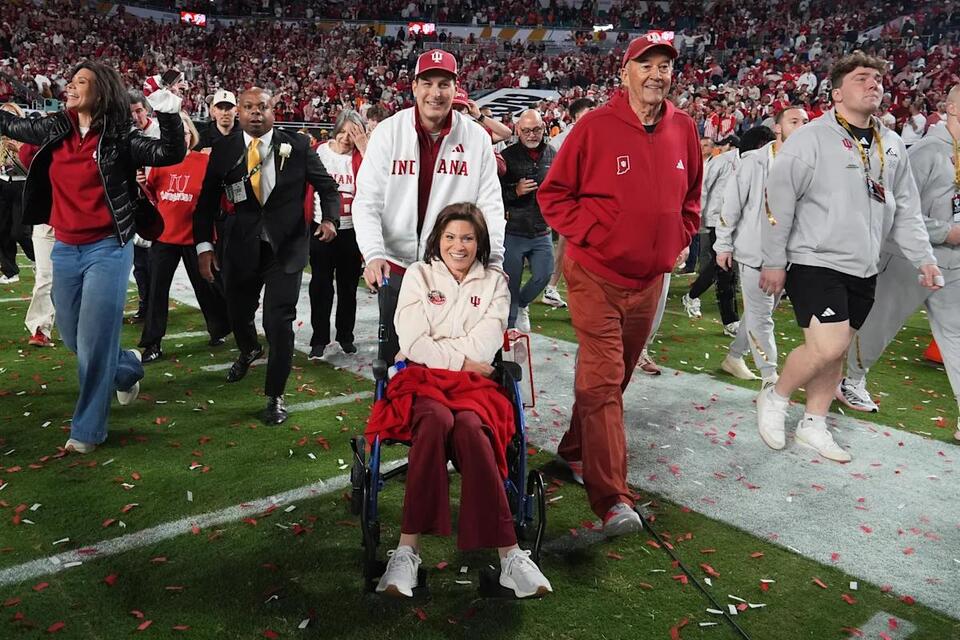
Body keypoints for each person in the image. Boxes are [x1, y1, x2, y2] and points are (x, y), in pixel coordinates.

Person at [538, 32, 702, 534]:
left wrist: (681, 233)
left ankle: (572, 452)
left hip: (648, 282)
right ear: (625, 72)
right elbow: (554, 196)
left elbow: (692, 195)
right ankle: (611, 498)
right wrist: (598, 236)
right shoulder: (594, 127)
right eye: (646, 65)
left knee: (614, 378)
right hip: (595, 276)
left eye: (664, 66)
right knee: (605, 380)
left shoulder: (684, 128)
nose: (656, 74)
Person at [759, 52, 942, 463]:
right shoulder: (811, 137)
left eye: (878, 78)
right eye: (862, 78)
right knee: (829, 344)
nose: (874, 84)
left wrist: (924, 257)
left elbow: (908, 209)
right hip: (814, 257)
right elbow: (780, 200)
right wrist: (773, 260)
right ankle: (776, 395)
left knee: (838, 351)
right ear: (837, 93)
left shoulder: (891, 144)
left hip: (865, 263)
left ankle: (814, 424)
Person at [0, 60, 186, 454]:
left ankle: (87, 429)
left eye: (80, 82)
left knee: (96, 338)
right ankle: (127, 367)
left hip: (109, 246)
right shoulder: (55, 127)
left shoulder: (120, 137)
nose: (70, 87)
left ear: (100, 92)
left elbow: (170, 152)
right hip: (65, 246)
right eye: (70, 81)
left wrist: (169, 113)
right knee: (73, 334)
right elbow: (10, 125)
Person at [369, 203, 552, 599]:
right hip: (421, 380)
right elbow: (412, 341)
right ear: (438, 239)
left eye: (468, 238)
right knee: (434, 420)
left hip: (474, 388)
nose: (459, 245)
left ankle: (510, 556)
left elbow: (487, 346)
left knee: (471, 428)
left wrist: (453, 355)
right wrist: (461, 360)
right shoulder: (418, 275)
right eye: (451, 236)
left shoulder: (495, 283)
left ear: (480, 242)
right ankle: (406, 551)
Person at [194, 87, 341, 425]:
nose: (255, 113)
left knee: (278, 322)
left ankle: (275, 395)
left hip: (286, 248)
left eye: (262, 107)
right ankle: (248, 348)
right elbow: (205, 204)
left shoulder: (299, 145)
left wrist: (330, 218)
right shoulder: (223, 149)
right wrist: (204, 246)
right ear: (239, 112)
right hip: (240, 247)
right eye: (248, 107)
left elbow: (328, 188)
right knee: (237, 312)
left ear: (274, 110)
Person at [353, 49, 506, 363]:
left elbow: (490, 204)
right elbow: (366, 200)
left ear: (455, 87)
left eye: (443, 84)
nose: (435, 93)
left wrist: (495, 260)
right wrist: (373, 253)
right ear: (414, 86)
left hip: (453, 270)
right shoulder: (388, 132)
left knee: (453, 353)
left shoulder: (476, 138)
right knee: (396, 356)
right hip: (394, 266)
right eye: (428, 83)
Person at [838, 84, 960, 440]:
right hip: (909, 258)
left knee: (956, 335)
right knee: (880, 323)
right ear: (950, 108)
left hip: (952, 263)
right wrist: (946, 233)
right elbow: (902, 211)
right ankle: (851, 380)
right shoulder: (926, 152)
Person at [136, 112, 230, 363]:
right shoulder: (159, 161)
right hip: (164, 235)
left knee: (208, 285)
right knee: (157, 291)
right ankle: (152, 343)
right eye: (177, 133)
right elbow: (154, 195)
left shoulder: (204, 161)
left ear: (191, 135)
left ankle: (220, 328)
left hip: (195, 236)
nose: (182, 137)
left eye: (186, 132)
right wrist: (142, 184)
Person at [716, 120, 799, 383]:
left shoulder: (804, 162)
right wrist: (723, 244)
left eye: (806, 122)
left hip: (786, 254)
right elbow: (731, 204)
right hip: (755, 252)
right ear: (778, 127)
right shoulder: (754, 162)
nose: (801, 126)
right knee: (762, 316)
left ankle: (734, 356)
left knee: (758, 312)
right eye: (794, 121)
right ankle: (770, 376)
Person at [308, 109, 366, 359]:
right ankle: (319, 338)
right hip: (321, 227)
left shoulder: (363, 156)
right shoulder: (319, 151)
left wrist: (366, 148)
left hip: (351, 231)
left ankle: (346, 336)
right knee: (320, 286)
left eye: (352, 134)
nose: (345, 138)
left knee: (348, 288)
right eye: (342, 131)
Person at [500, 109, 557, 332]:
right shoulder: (507, 156)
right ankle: (510, 334)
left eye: (536, 129)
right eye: (526, 130)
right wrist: (516, 190)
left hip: (541, 230)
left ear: (543, 129)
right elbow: (494, 194)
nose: (532, 134)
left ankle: (523, 304)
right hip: (513, 230)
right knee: (510, 285)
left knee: (543, 275)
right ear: (517, 130)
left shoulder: (553, 154)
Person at [681, 133, 741, 337]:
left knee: (724, 269)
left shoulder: (750, 163)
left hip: (735, 222)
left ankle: (694, 296)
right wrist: (699, 216)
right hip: (718, 220)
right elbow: (703, 189)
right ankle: (730, 319)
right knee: (723, 268)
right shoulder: (723, 161)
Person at [543, 97, 595, 309]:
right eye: (589, 110)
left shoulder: (596, 135)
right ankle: (553, 287)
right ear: (576, 116)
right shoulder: (562, 141)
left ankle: (554, 287)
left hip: (589, 201)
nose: (593, 113)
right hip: (572, 203)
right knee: (567, 247)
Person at [19, 139, 55, 347]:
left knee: (79, 281)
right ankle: (40, 328)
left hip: (78, 223)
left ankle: (86, 325)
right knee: (44, 276)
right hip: (47, 222)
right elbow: (25, 155)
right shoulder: (49, 139)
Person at [128, 90, 160, 323]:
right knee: (139, 262)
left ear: (146, 109)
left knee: (156, 260)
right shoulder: (125, 135)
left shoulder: (158, 132)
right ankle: (145, 304)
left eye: (139, 110)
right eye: (131, 113)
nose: (136, 116)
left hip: (159, 200)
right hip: (135, 202)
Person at [0, 103, 34, 285]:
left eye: (10, 114)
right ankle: (10, 270)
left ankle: (38, 258)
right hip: (2, 185)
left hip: (22, 185)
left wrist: (18, 151)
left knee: (20, 232)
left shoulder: (27, 137)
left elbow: (32, 169)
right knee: (1, 231)